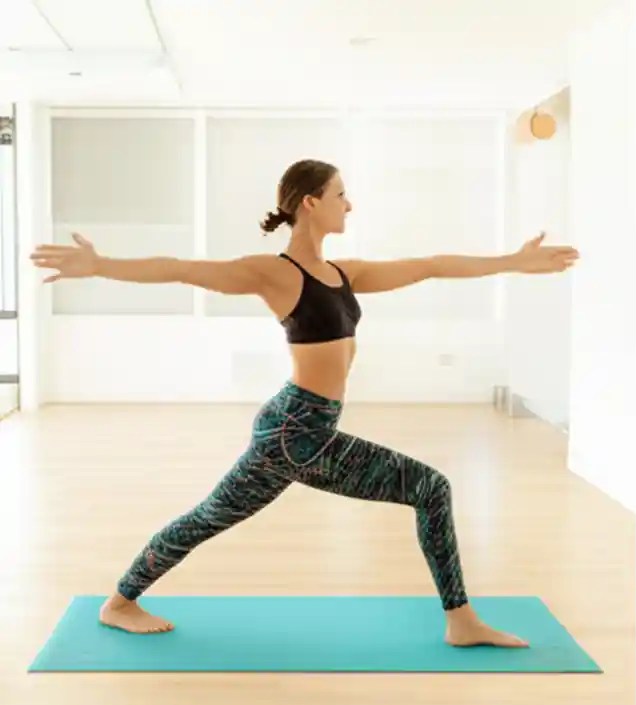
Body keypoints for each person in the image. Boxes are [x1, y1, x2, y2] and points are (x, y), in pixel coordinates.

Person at [29, 158, 579, 647]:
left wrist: (512, 261)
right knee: (430, 488)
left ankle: (119, 602)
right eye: (341, 194)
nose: (350, 204)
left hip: (294, 428)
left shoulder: (344, 274)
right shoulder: (275, 273)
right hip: (299, 432)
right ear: (311, 203)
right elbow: (181, 268)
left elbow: (431, 264)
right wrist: (101, 266)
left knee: (207, 518)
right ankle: (461, 620)